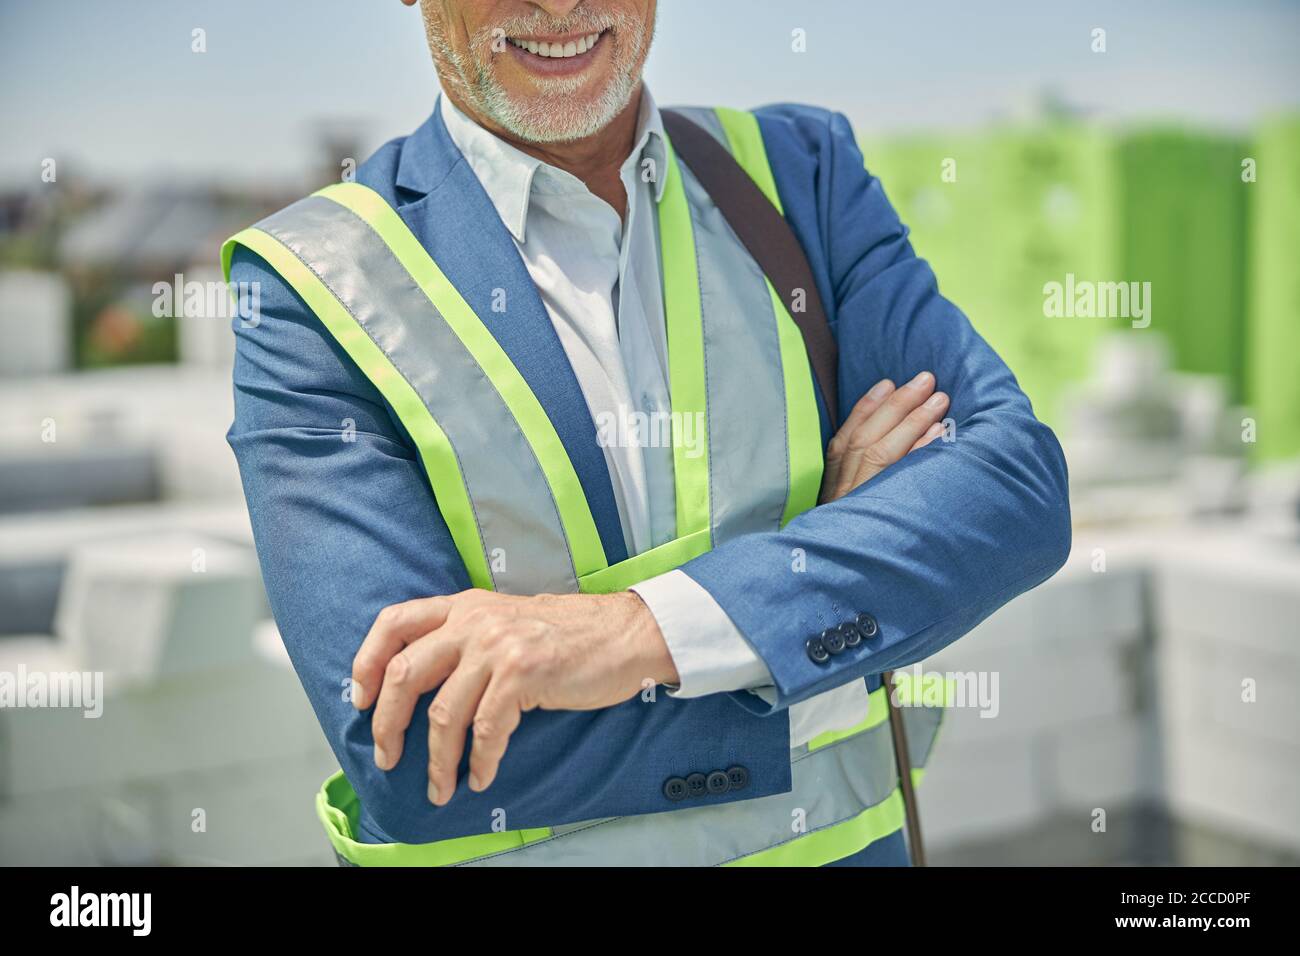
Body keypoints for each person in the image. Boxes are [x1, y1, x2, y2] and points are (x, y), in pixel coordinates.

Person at [224, 0, 1071, 866]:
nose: (558, 4)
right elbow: (416, 760)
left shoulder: (799, 173)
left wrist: (632, 634)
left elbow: (1013, 495)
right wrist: (829, 608)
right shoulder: (315, 286)